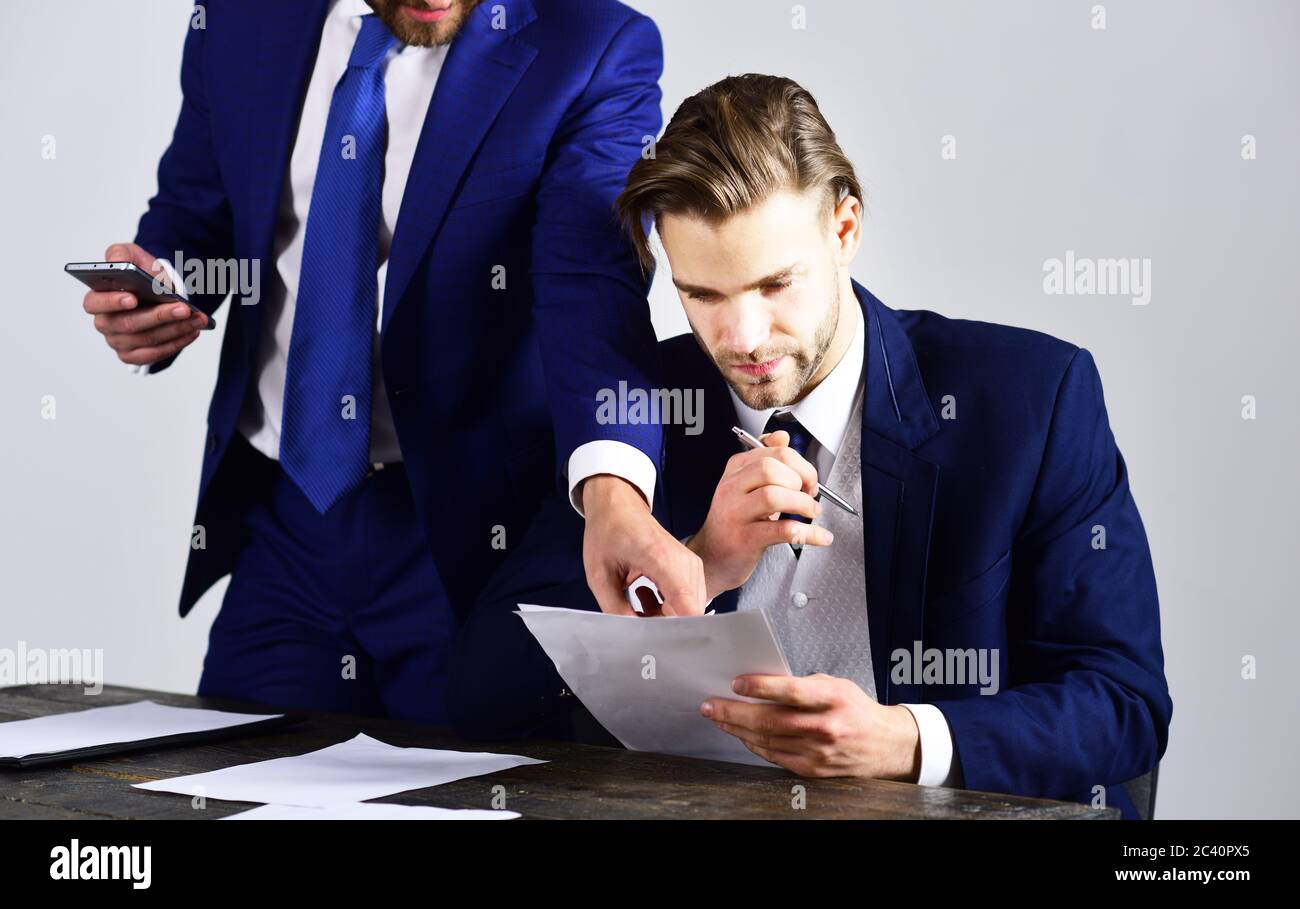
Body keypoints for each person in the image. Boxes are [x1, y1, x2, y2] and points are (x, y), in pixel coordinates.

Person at [448, 74, 1172, 818]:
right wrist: (701, 558)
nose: (742, 338)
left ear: (846, 229)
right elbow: (479, 691)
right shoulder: (634, 413)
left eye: (775, 284)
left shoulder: (1031, 399)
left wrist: (907, 740)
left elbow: (1124, 705)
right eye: (702, 294)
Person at [77, 0, 705, 724]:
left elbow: (590, 288)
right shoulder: (239, 17)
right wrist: (165, 291)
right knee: (225, 786)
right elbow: (200, 208)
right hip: (286, 528)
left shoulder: (592, 46)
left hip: (475, 541)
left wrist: (614, 496)